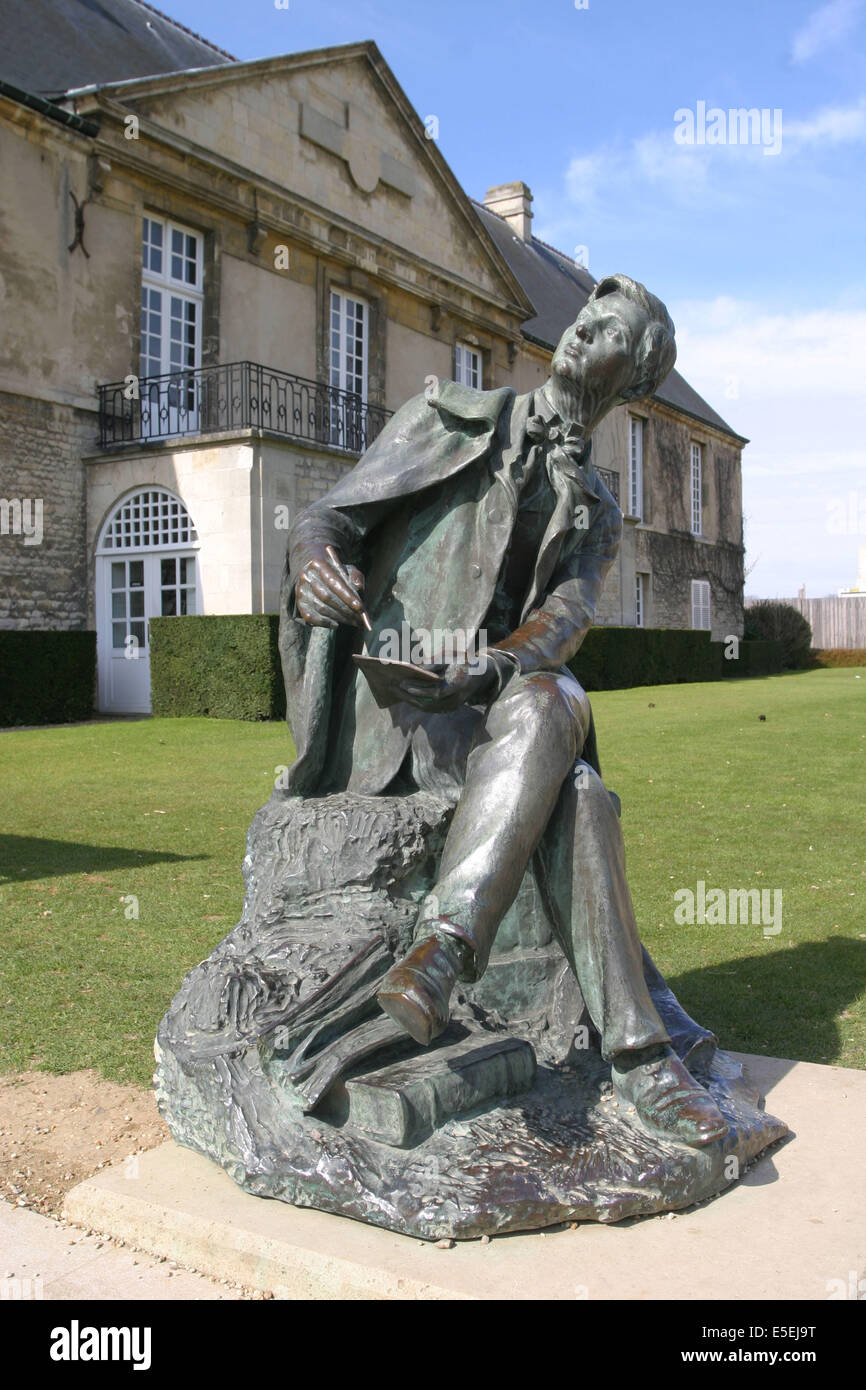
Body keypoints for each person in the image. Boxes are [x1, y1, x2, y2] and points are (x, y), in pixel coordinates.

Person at [280, 273, 728, 1147]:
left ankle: (443, 952)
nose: (577, 334)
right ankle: (643, 1059)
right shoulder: (446, 418)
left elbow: (562, 619)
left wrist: (486, 671)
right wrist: (310, 565)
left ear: (630, 382)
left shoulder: (595, 511)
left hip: (489, 703)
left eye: (603, 334)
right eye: (584, 319)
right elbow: (325, 518)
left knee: (555, 698)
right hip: (399, 703)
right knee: (583, 791)